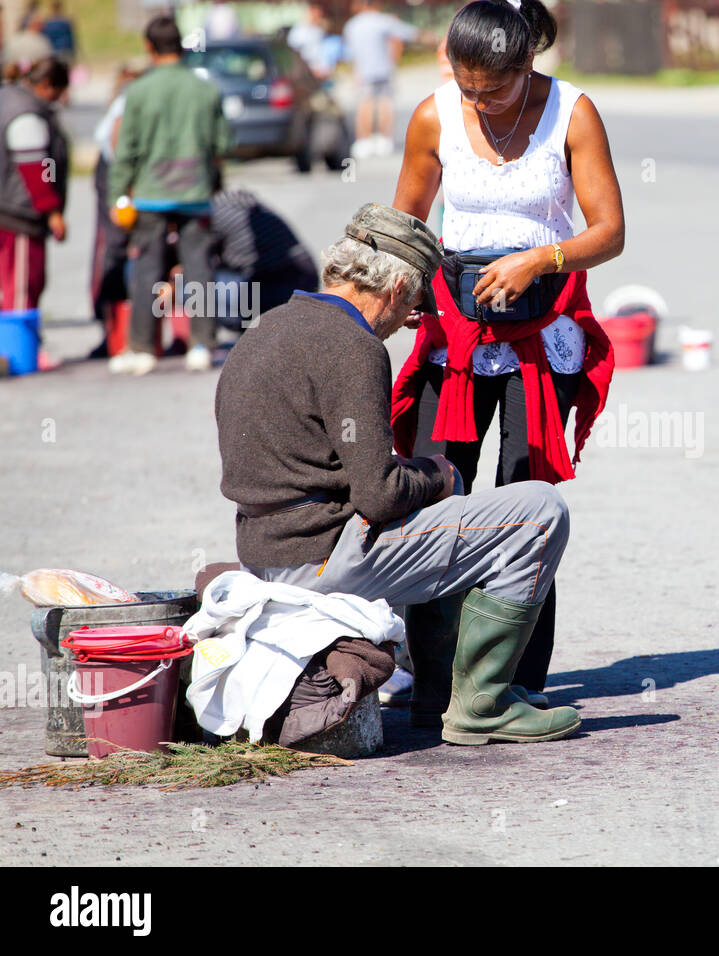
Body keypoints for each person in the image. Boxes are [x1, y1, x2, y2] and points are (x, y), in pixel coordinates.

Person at [215, 202, 581, 745]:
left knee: (440, 510)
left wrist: (424, 481)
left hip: (267, 551)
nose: (407, 320)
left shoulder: (270, 327)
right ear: (391, 292)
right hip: (321, 559)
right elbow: (380, 494)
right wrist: (442, 474)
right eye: (411, 303)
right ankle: (483, 703)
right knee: (539, 511)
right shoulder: (353, 346)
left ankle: (437, 696)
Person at [388, 0, 622, 726]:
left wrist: (540, 257)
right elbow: (404, 222)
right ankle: (434, 686)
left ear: (528, 66)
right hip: (453, 338)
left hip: (538, 332)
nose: (478, 103)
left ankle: (508, 683)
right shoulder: (432, 116)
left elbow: (609, 230)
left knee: (525, 505)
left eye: (494, 88)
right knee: (435, 498)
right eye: (466, 88)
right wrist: (394, 291)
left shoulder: (574, 114)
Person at [107, 14, 229, 376]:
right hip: (195, 192)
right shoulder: (205, 88)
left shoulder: (139, 91)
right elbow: (223, 143)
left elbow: (125, 149)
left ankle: (144, 349)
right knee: (199, 269)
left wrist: (117, 194)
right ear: (181, 46)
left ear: (148, 47)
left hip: (150, 194)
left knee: (147, 269)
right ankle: (201, 345)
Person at [0, 56, 67, 371]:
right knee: (22, 284)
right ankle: (17, 353)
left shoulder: (7, 97)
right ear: (47, 86)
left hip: (7, 208)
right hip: (19, 212)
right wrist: (51, 210)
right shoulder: (27, 112)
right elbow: (36, 166)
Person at [86, 58, 146, 359]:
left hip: (118, 182)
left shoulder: (129, 98)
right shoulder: (128, 104)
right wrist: (125, 196)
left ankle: (124, 332)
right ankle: (112, 334)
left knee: (120, 253)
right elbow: (118, 150)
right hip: (115, 183)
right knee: (113, 253)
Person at [209, 187, 318, 331]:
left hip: (275, 287)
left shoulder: (213, 213)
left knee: (187, 286)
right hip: (304, 281)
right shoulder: (238, 203)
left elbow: (201, 263)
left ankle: (250, 327)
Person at [343, 0, 431, 157]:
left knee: (365, 105)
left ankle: (364, 140)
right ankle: (384, 139)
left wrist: (354, 73)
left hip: (363, 72)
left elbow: (350, 53)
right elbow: (409, 33)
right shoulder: (383, 21)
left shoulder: (352, 25)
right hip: (383, 69)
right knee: (385, 104)